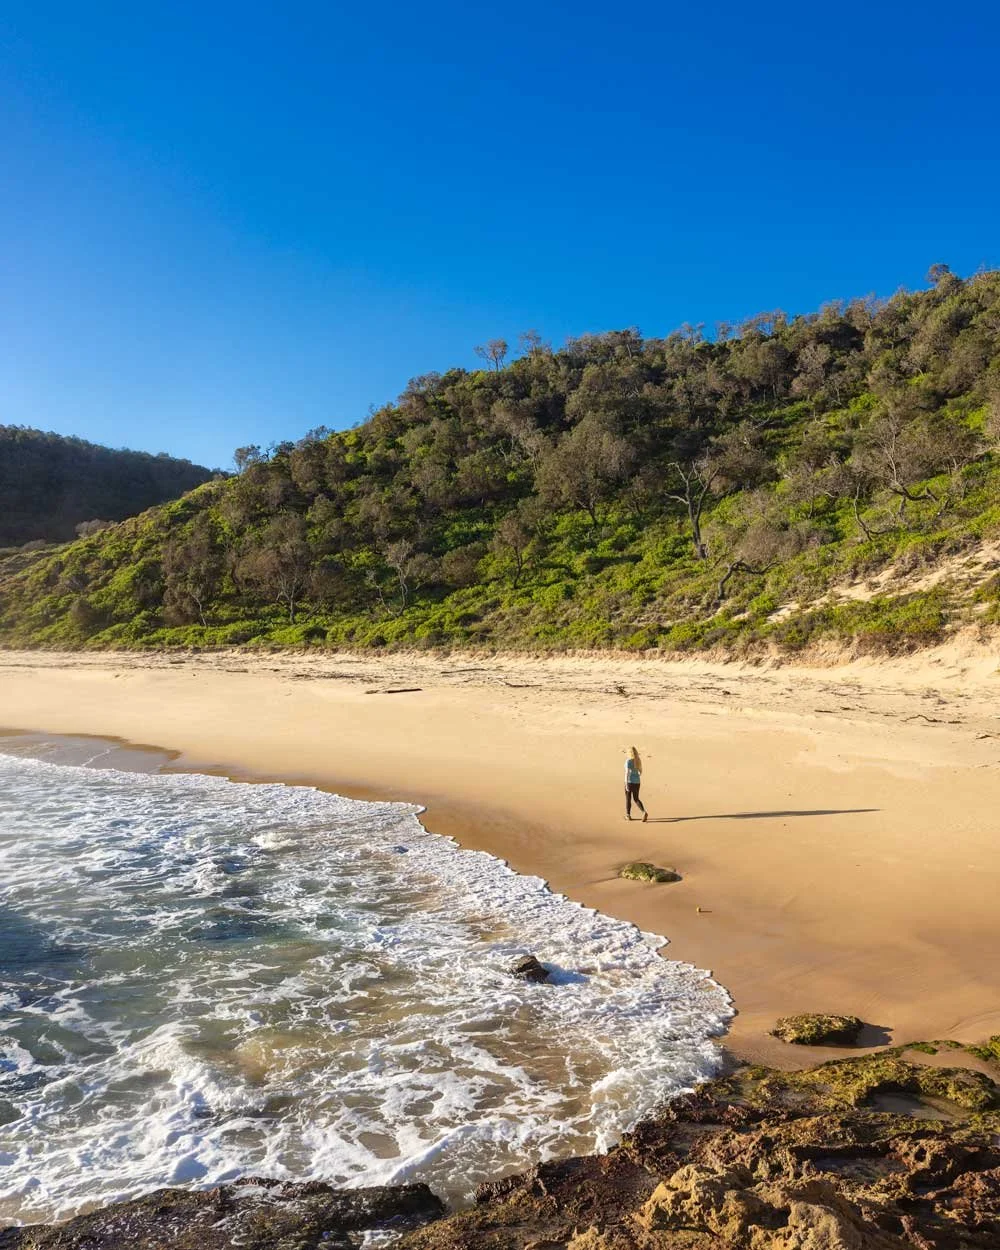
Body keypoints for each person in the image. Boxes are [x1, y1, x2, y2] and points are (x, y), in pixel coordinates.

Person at [624, 746, 648, 821]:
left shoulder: (628, 761)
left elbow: (627, 773)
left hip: (629, 782)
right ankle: (644, 812)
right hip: (637, 782)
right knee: (636, 798)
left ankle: (628, 815)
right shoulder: (638, 760)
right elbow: (640, 771)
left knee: (628, 799)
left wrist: (626, 783)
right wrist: (636, 776)